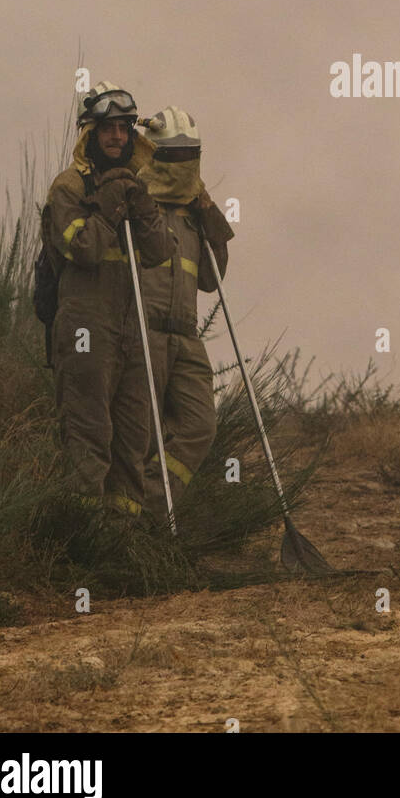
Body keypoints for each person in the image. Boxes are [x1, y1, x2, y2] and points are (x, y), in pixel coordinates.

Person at [42, 81, 173, 515]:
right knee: (89, 435)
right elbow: (84, 249)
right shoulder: (68, 188)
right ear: (90, 134)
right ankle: (81, 549)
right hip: (84, 325)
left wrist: (143, 205)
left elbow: (157, 253)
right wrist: (110, 204)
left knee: (132, 441)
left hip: (129, 327)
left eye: (123, 128)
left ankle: (121, 546)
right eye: (107, 129)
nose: (117, 137)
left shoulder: (135, 185)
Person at [136, 107, 234, 515]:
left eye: (188, 153)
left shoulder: (196, 213)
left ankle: (153, 507)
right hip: (143, 333)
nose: (182, 163)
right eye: (174, 154)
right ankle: (126, 525)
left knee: (199, 426)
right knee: (139, 435)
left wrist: (210, 216)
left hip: (186, 337)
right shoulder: (136, 204)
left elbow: (212, 280)